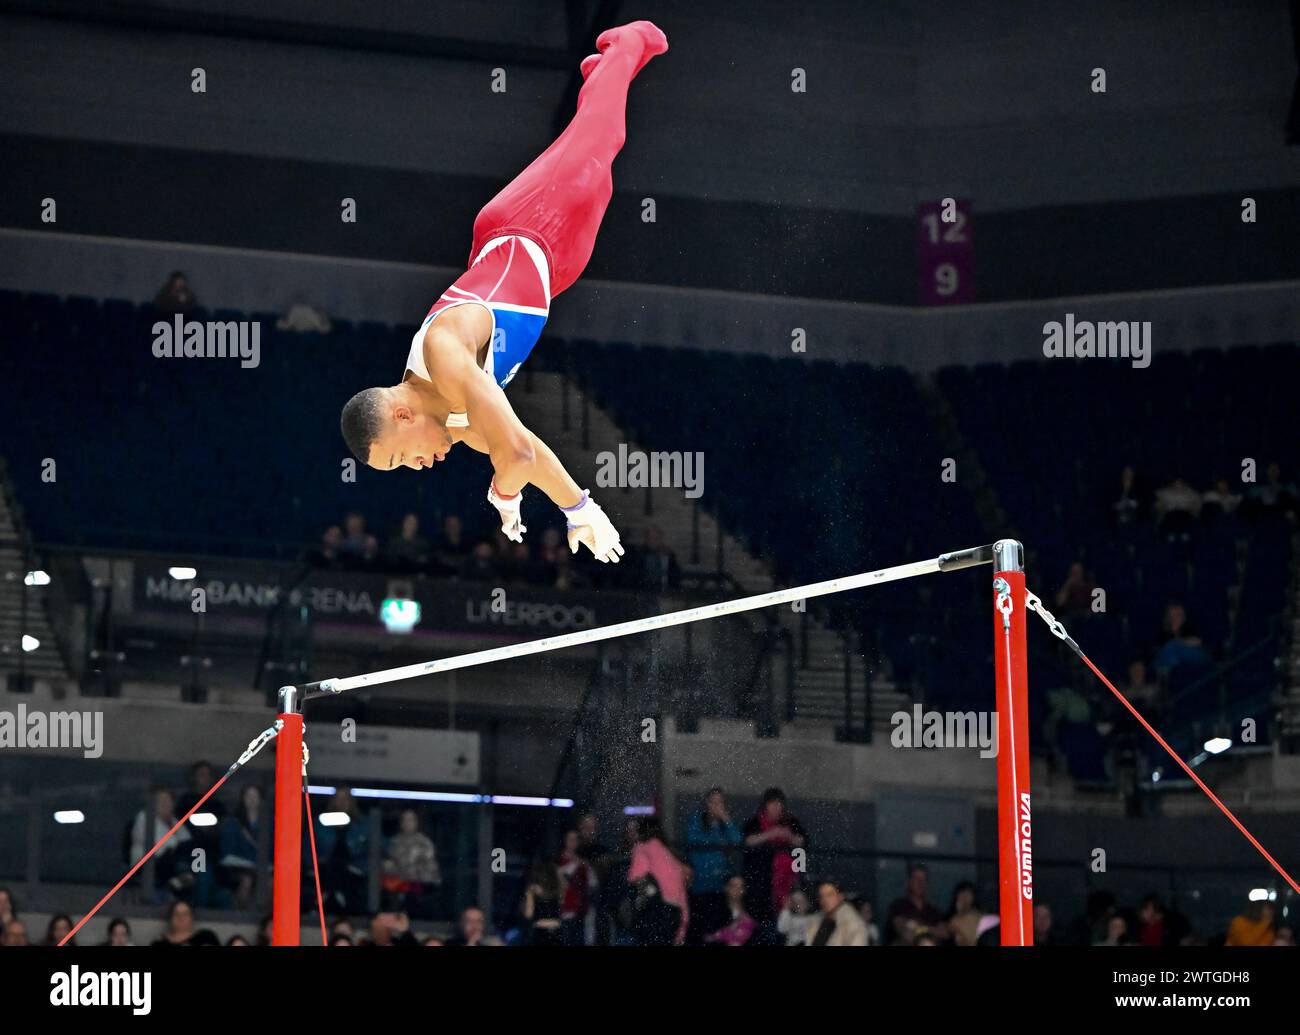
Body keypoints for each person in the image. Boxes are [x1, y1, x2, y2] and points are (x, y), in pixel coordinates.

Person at [338, 21, 670, 567]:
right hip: (553, 268)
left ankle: (623, 43)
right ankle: (599, 78)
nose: (419, 467)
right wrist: (579, 507)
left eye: (402, 458)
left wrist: (505, 495)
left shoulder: (444, 354)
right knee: (596, 160)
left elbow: (513, 455)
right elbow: (523, 448)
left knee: (602, 143)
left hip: (531, 227)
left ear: (402, 415)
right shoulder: (460, 421)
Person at [741, 787, 808, 928]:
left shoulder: (790, 821)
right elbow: (747, 841)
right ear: (765, 805)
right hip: (762, 881)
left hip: (789, 880)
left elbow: (802, 842)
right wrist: (770, 834)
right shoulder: (756, 821)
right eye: (772, 804)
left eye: (779, 804)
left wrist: (787, 835)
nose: (776, 807)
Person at [685, 787, 743, 940]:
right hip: (699, 887)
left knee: (717, 934)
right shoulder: (697, 820)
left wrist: (726, 819)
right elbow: (692, 840)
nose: (716, 806)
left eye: (720, 802)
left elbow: (737, 841)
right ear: (707, 803)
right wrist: (719, 841)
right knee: (697, 935)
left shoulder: (726, 825)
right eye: (713, 802)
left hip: (719, 888)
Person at [627, 816, 689, 945]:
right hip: (674, 912)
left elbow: (635, 876)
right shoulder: (670, 856)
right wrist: (682, 926)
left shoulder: (642, 848)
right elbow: (682, 895)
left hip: (655, 910)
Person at [886, 863, 947, 945]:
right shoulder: (898, 906)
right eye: (916, 878)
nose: (920, 882)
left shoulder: (934, 911)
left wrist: (919, 928)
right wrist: (931, 930)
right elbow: (903, 930)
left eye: (923, 879)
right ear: (909, 881)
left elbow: (944, 934)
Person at [807, 880, 868, 946]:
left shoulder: (853, 923)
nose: (825, 900)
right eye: (821, 896)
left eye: (829, 895)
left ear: (841, 896)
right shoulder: (816, 920)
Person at [703, 875, 755, 946]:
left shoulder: (751, 909)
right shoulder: (716, 909)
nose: (738, 889)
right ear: (726, 888)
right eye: (734, 886)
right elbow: (710, 935)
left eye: (741, 886)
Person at [151, 900, 219, 946]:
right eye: (176, 914)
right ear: (170, 918)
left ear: (192, 918)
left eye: (185, 914)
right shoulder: (159, 943)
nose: (181, 918)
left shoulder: (206, 936)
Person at [947, 881, 982, 946]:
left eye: (967, 894)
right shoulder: (952, 919)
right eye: (962, 894)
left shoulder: (976, 915)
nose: (964, 898)